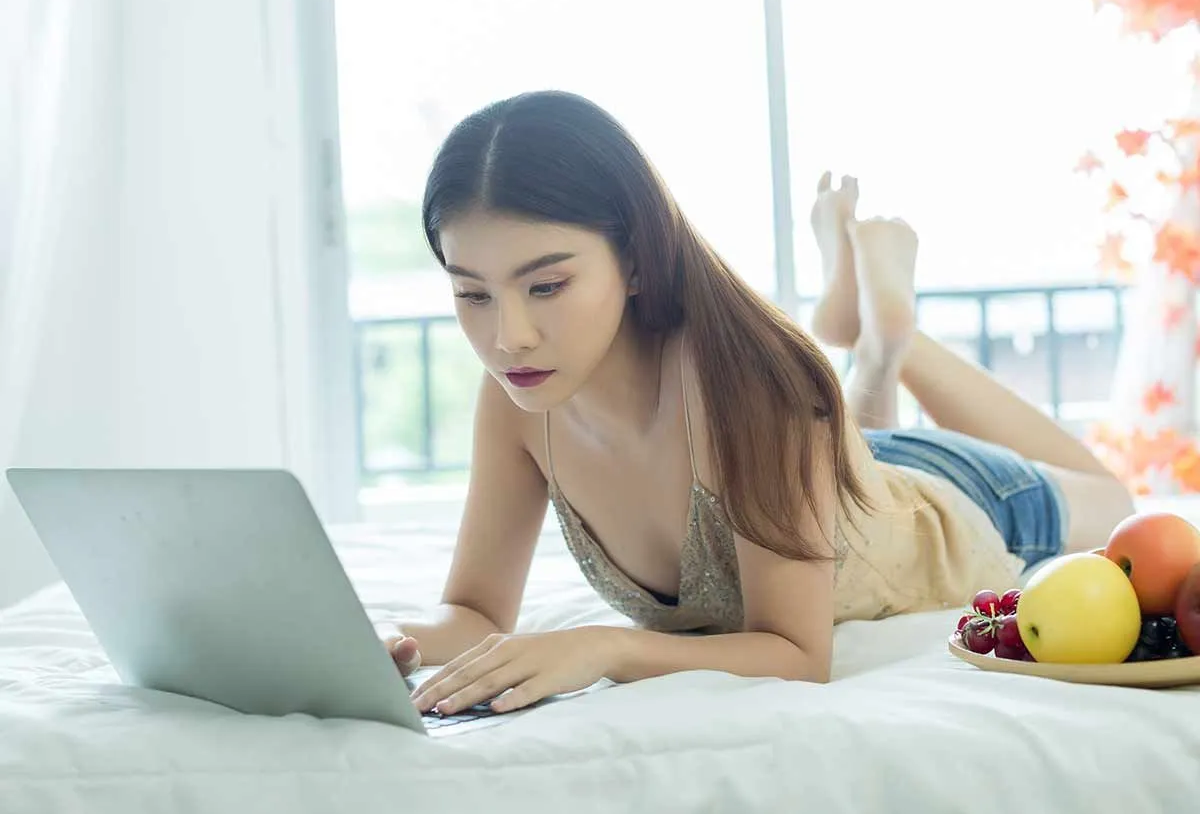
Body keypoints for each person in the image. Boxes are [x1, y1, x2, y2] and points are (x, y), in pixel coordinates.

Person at [384, 90, 1134, 717]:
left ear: (637, 259)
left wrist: (603, 645)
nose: (508, 337)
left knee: (1117, 501)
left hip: (954, 507)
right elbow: (478, 615)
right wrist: (382, 638)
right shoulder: (515, 402)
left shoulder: (748, 389)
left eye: (547, 286)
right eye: (470, 294)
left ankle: (891, 337)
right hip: (835, 480)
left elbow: (798, 654)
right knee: (850, 457)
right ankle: (869, 346)